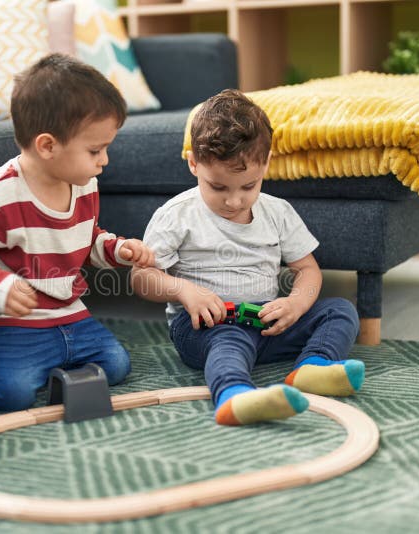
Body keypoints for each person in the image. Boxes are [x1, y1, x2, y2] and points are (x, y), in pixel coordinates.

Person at [131, 89, 363, 426]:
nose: (235, 201)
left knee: (340, 310)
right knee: (227, 342)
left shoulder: (278, 212)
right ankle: (234, 395)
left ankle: (313, 367)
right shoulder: (177, 215)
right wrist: (183, 291)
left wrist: (295, 305)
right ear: (193, 163)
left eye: (248, 186)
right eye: (219, 188)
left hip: (267, 323)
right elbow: (141, 278)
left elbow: (307, 270)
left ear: (266, 163)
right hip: (206, 326)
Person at [0, 54, 155, 412]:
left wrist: (118, 250)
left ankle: (46, 358)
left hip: (65, 310)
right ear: (48, 146)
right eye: (95, 150)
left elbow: (86, 239)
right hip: (4, 317)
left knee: (117, 365)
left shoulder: (83, 183)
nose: (105, 161)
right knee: (11, 394)